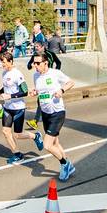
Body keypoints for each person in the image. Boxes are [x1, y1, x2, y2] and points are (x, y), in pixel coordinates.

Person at [29, 52, 76, 181]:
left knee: (47, 145)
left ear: (46, 63)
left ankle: (64, 164)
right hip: (45, 114)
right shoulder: (36, 76)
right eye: (34, 63)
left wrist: (61, 91)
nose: (35, 65)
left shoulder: (55, 73)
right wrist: (35, 91)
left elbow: (71, 82)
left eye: (38, 63)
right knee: (55, 142)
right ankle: (68, 166)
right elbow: (40, 90)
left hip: (57, 113)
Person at [0, 51, 32, 164]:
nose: (3, 64)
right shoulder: (4, 73)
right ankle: (17, 154)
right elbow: (6, 86)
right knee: (6, 132)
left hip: (18, 108)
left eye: (4, 62)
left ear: (11, 61)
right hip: (7, 107)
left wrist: (10, 96)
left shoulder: (17, 74)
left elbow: (25, 92)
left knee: (18, 134)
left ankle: (35, 136)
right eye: (1, 62)